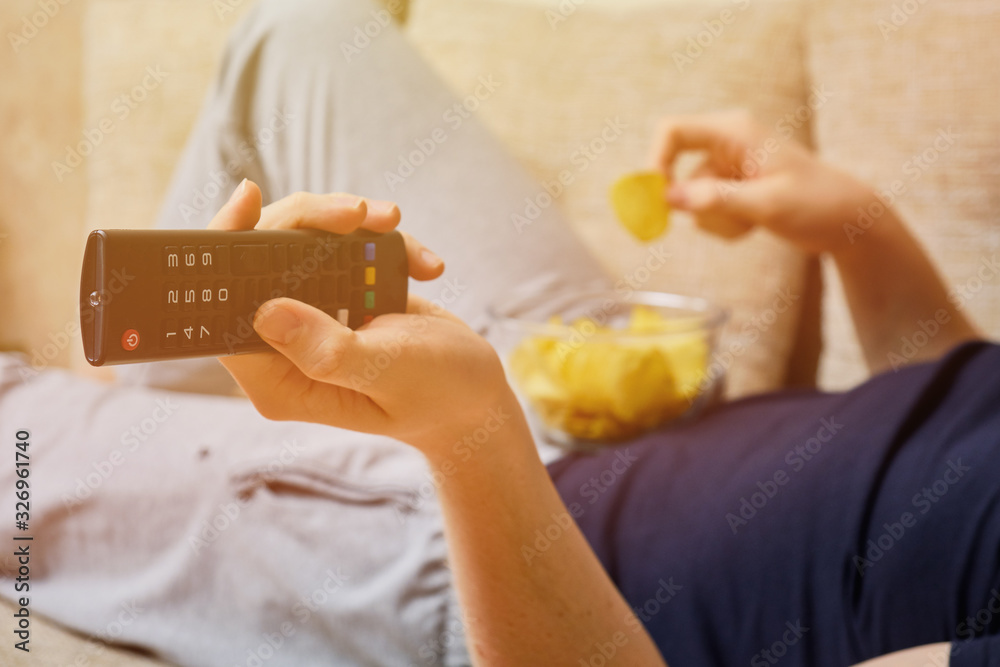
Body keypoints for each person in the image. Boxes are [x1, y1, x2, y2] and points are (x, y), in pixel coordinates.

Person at [1, 1, 997, 666]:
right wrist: (857, 228)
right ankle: (189, 431)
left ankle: (187, 471)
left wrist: (472, 440)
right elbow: (947, 446)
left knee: (14, 431)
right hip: (627, 383)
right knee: (302, 34)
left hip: (529, 555)